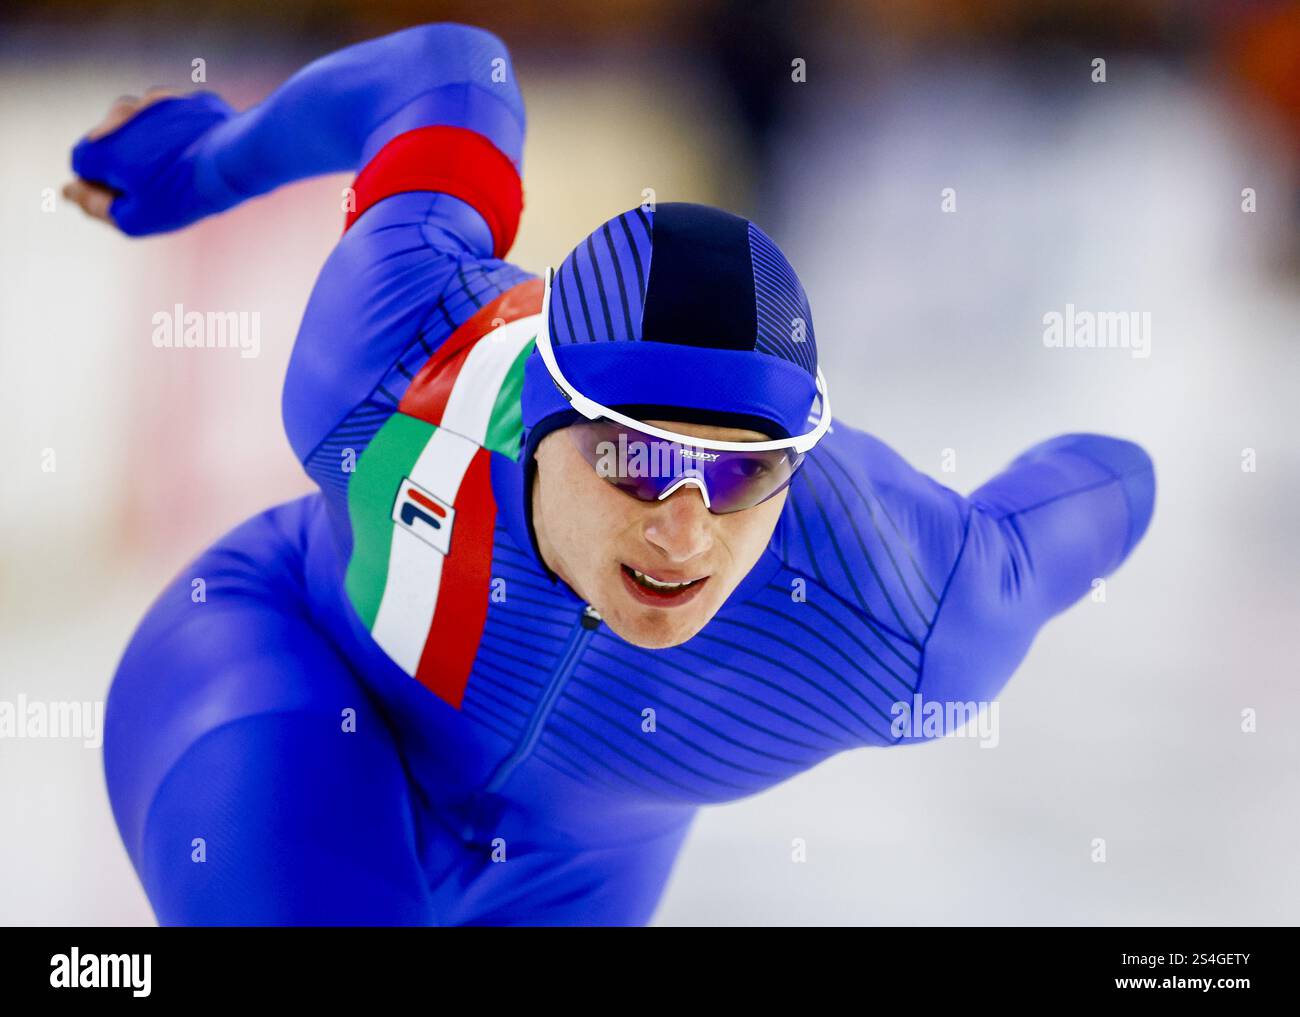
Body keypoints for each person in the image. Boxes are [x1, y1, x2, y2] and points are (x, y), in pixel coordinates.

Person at [65, 23, 1155, 926]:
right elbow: (450, 71)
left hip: (568, 875)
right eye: (638, 460)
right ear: (536, 422)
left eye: (738, 478)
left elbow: (1096, 491)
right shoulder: (398, 358)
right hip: (289, 677)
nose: (684, 532)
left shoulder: (907, 614)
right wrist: (207, 166)